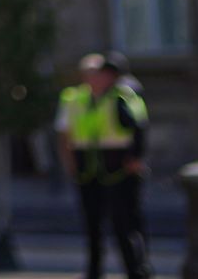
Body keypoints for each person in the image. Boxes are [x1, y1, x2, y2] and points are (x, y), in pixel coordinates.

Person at [56, 52, 151, 279]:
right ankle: (94, 272)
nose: (94, 78)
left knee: (125, 226)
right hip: (89, 170)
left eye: (98, 73)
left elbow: (139, 128)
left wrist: (136, 158)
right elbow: (65, 134)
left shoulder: (123, 96)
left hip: (118, 170)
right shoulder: (74, 98)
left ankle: (136, 271)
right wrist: (69, 164)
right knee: (93, 228)